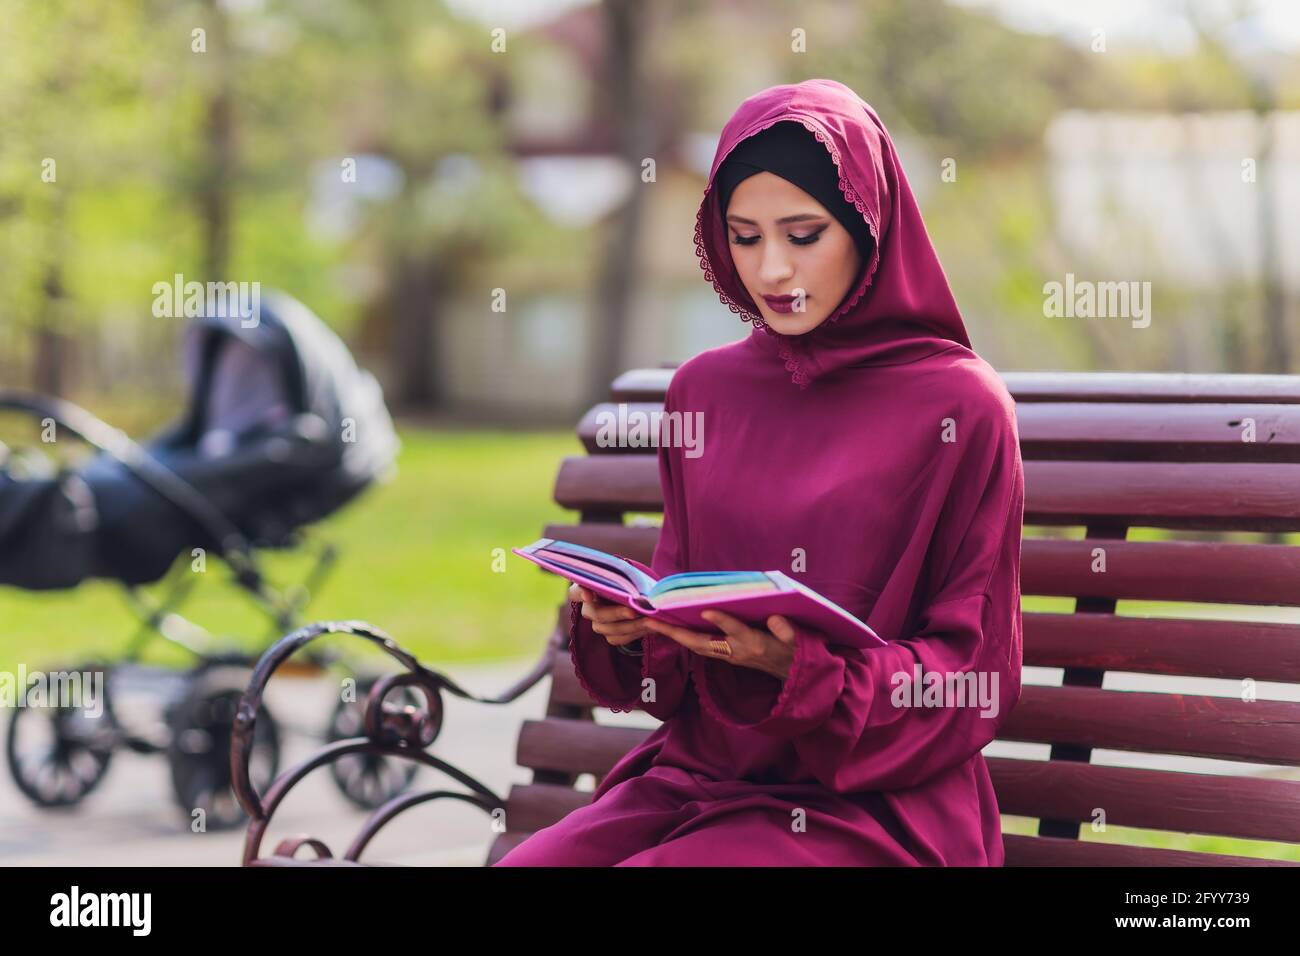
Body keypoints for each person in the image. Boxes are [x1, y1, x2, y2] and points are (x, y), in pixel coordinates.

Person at [495, 78, 1024, 866]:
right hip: (700, 780)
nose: (772, 270)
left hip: (875, 805)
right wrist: (638, 632)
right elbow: (685, 623)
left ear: (866, 226)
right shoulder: (702, 392)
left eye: (803, 234)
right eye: (744, 236)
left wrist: (809, 676)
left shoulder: (960, 405)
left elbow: (969, 673)